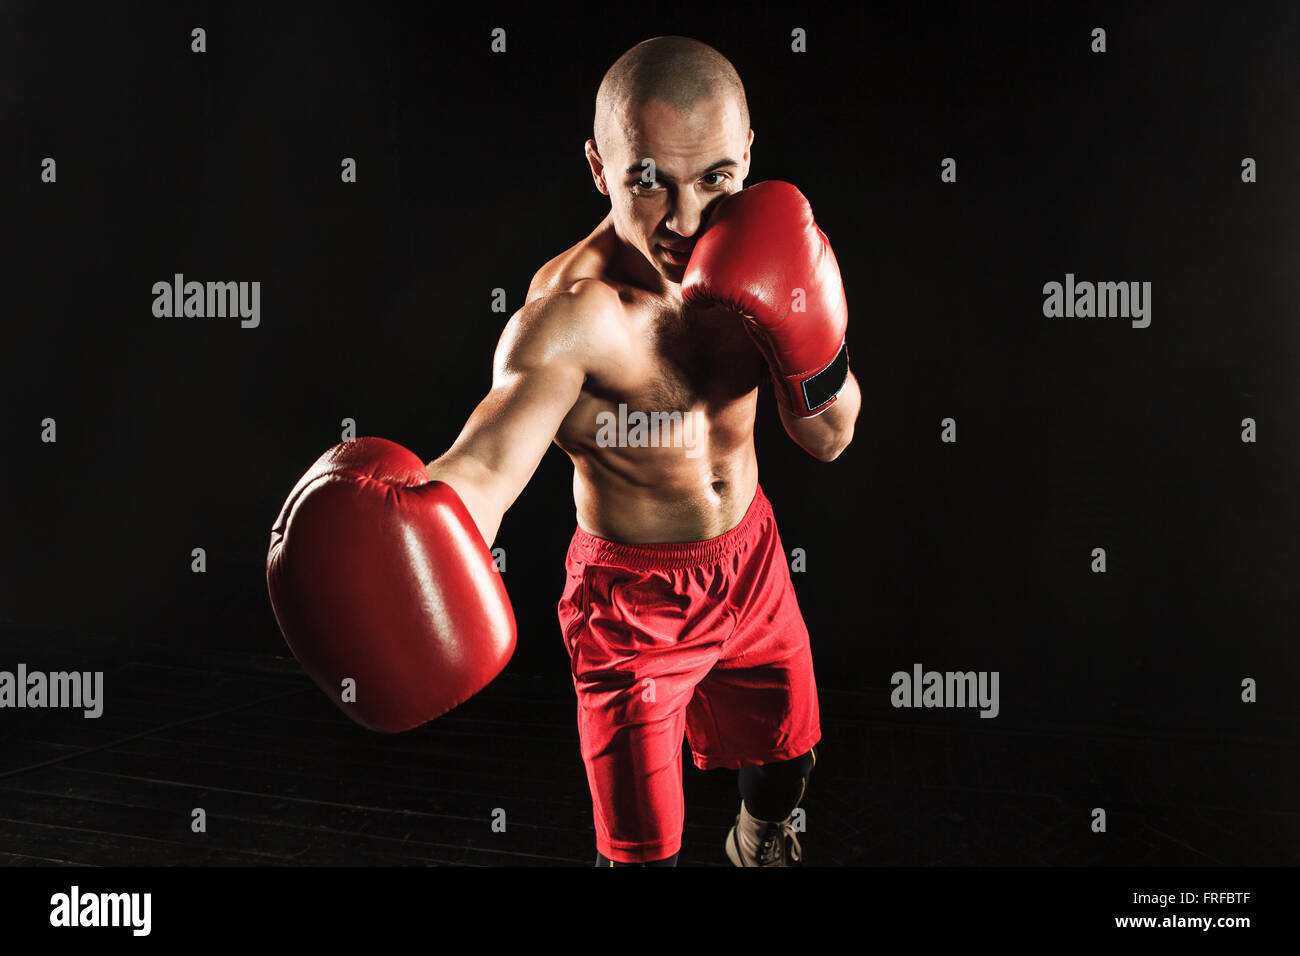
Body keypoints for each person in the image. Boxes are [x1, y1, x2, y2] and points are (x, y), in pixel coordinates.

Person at [268, 35, 859, 868]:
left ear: (749, 154)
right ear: (598, 165)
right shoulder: (572, 317)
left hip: (753, 560)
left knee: (788, 759)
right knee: (642, 848)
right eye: (648, 181)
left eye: (715, 179)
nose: (686, 220)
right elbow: (486, 465)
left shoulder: (773, 253)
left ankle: (758, 836)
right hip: (633, 605)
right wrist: (405, 534)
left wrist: (808, 340)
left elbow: (830, 437)